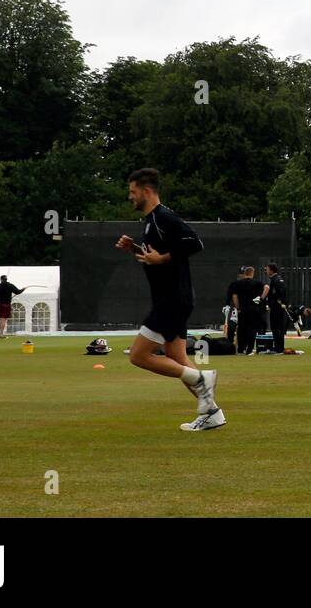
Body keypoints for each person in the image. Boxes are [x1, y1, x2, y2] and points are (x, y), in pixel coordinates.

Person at [114, 168, 223, 431]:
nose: (130, 197)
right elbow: (155, 257)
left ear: (146, 191)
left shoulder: (163, 217)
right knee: (177, 356)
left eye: (133, 192)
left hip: (172, 299)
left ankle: (201, 377)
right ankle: (212, 413)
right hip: (173, 298)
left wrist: (162, 258)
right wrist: (135, 249)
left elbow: (195, 242)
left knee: (138, 356)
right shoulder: (150, 221)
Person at [228, 266, 261, 354]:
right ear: (252, 273)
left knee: (241, 329)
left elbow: (234, 296)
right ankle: (249, 349)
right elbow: (266, 287)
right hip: (253, 309)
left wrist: (238, 307)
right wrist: (261, 299)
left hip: (242, 310)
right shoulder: (256, 283)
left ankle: (240, 349)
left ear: (244, 273)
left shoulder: (237, 283)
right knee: (252, 329)